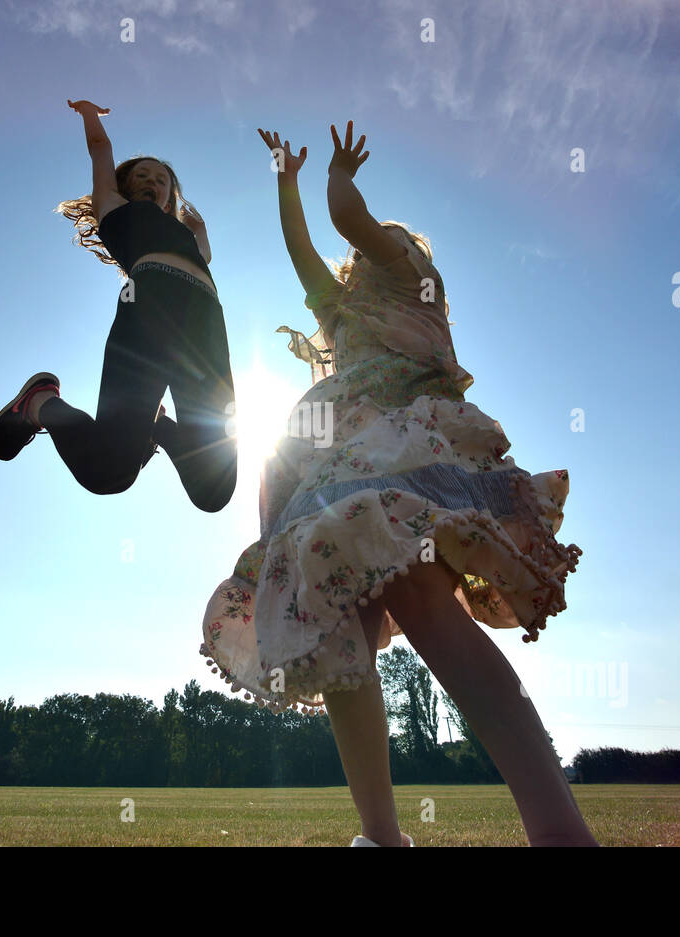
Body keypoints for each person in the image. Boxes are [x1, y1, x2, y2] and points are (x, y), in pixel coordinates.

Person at [200, 122, 597, 846]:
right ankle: (381, 838)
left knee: (425, 609)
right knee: (341, 641)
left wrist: (337, 181)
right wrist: (286, 182)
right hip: (329, 476)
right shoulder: (345, 316)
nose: (370, 251)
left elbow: (349, 219)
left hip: (399, 458)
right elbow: (302, 251)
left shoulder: (420, 292)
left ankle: (560, 833)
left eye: (394, 242)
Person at [0, 100, 237, 513]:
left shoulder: (180, 232)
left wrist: (199, 230)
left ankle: (156, 425)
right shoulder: (114, 207)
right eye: (142, 175)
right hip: (149, 303)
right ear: (124, 184)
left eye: (162, 180)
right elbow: (101, 150)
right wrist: (90, 115)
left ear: (169, 196)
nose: (152, 181)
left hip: (207, 318)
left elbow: (203, 260)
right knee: (110, 473)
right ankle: (39, 403)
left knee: (214, 491)